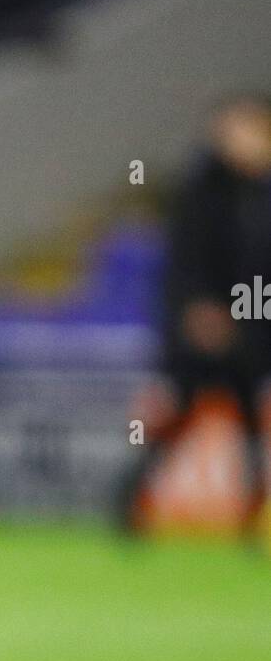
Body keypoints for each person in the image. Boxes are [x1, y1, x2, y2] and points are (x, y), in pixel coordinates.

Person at [117, 95, 271, 534]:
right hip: (200, 332)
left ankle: (252, 520)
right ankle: (130, 505)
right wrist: (198, 311)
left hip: (252, 332)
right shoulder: (200, 191)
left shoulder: (262, 196)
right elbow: (184, 263)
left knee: (251, 430)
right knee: (177, 418)